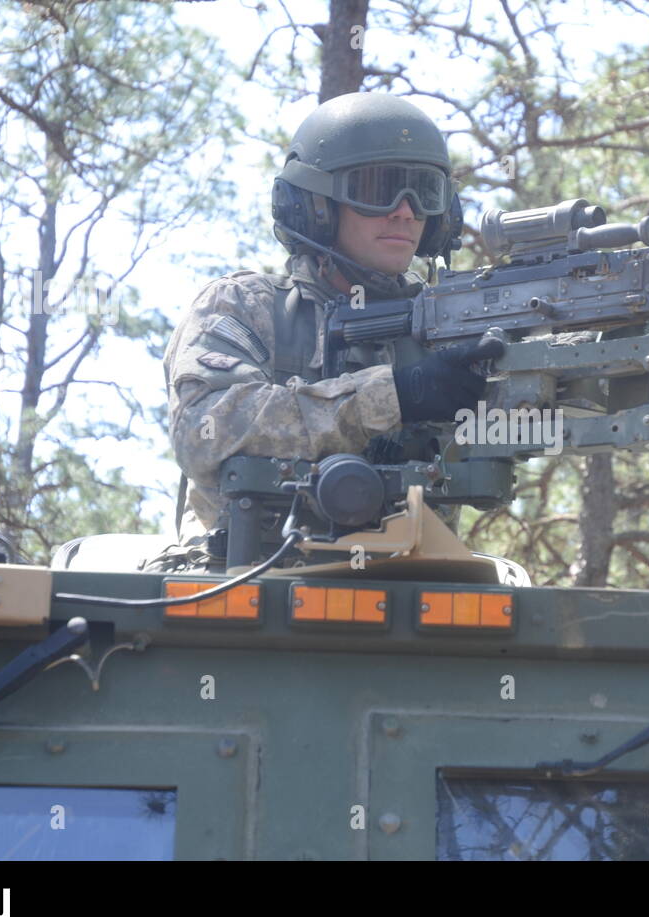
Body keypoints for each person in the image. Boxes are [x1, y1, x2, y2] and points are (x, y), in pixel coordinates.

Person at [150, 92, 490, 570]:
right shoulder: (247, 306)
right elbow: (205, 429)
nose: (405, 212)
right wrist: (395, 396)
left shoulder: (454, 324)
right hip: (244, 581)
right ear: (316, 207)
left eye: (424, 194)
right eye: (379, 190)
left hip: (412, 583)